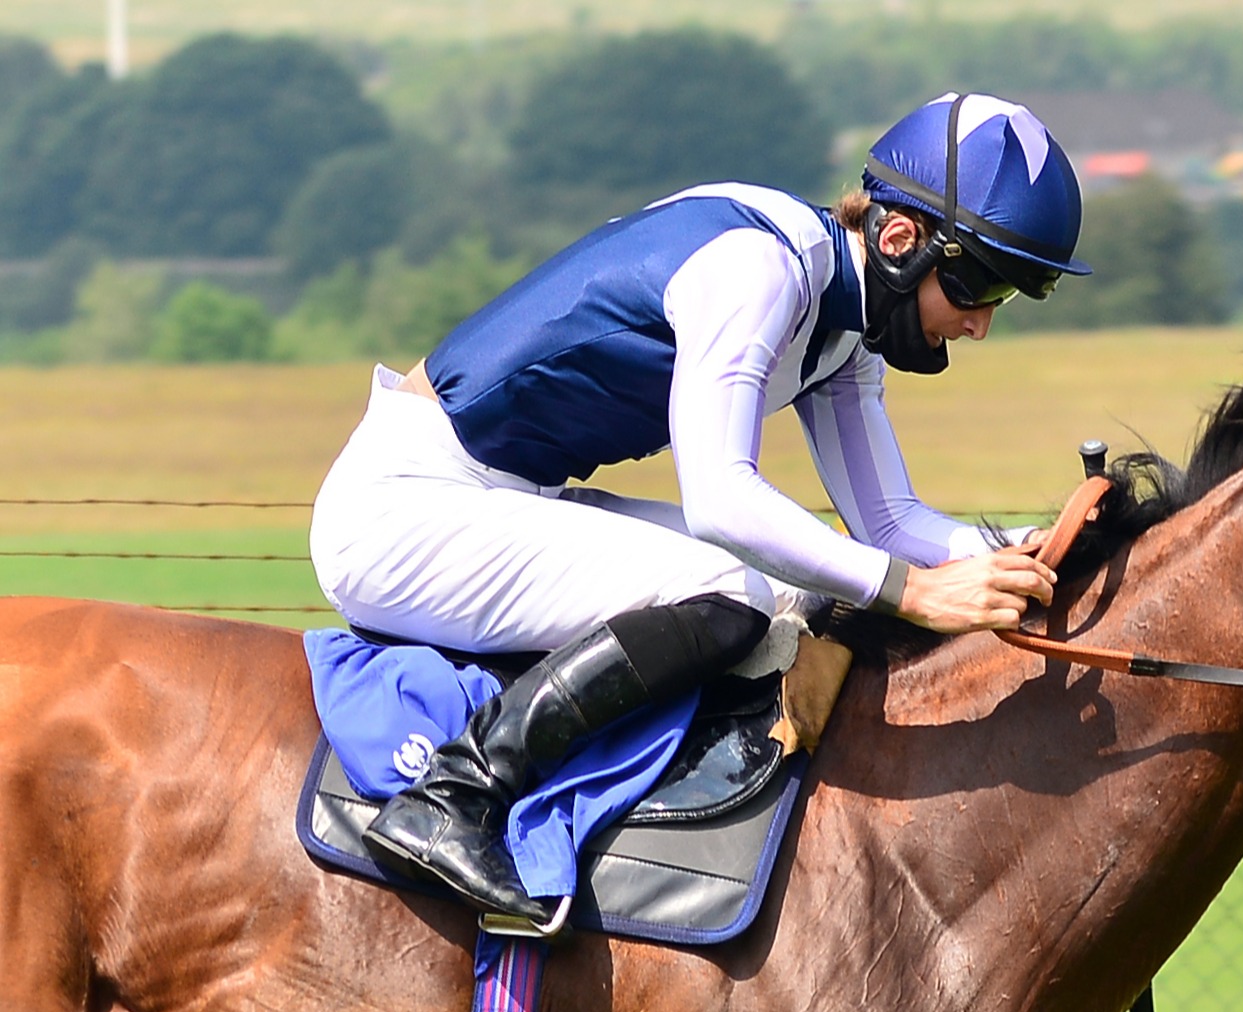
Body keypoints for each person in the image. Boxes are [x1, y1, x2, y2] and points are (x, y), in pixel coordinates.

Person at [308, 92, 1091, 924]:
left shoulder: (844, 329)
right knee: (733, 588)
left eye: (1006, 298)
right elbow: (720, 501)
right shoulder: (757, 270)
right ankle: (456, 795)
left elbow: (889, 524)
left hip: (500, 494)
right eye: (979, 286)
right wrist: (913, 592)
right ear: (900, 240)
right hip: (404, 512)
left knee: (799, 587)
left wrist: (1021, 546)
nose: (978, 325)